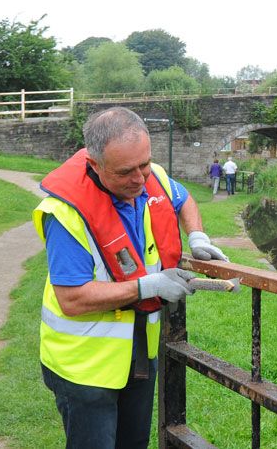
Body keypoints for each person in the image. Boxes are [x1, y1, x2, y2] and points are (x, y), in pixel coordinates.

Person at [32, 106, 229, 449]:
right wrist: (148, 286)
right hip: (84, 370)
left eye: (145, 164)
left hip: (138, 357)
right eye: (126, 171)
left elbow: (182, 199)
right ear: (94, 165)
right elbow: (71, 298)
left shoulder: (151, 177)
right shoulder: (64, 213)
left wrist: (197, 236)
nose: (140, 178)